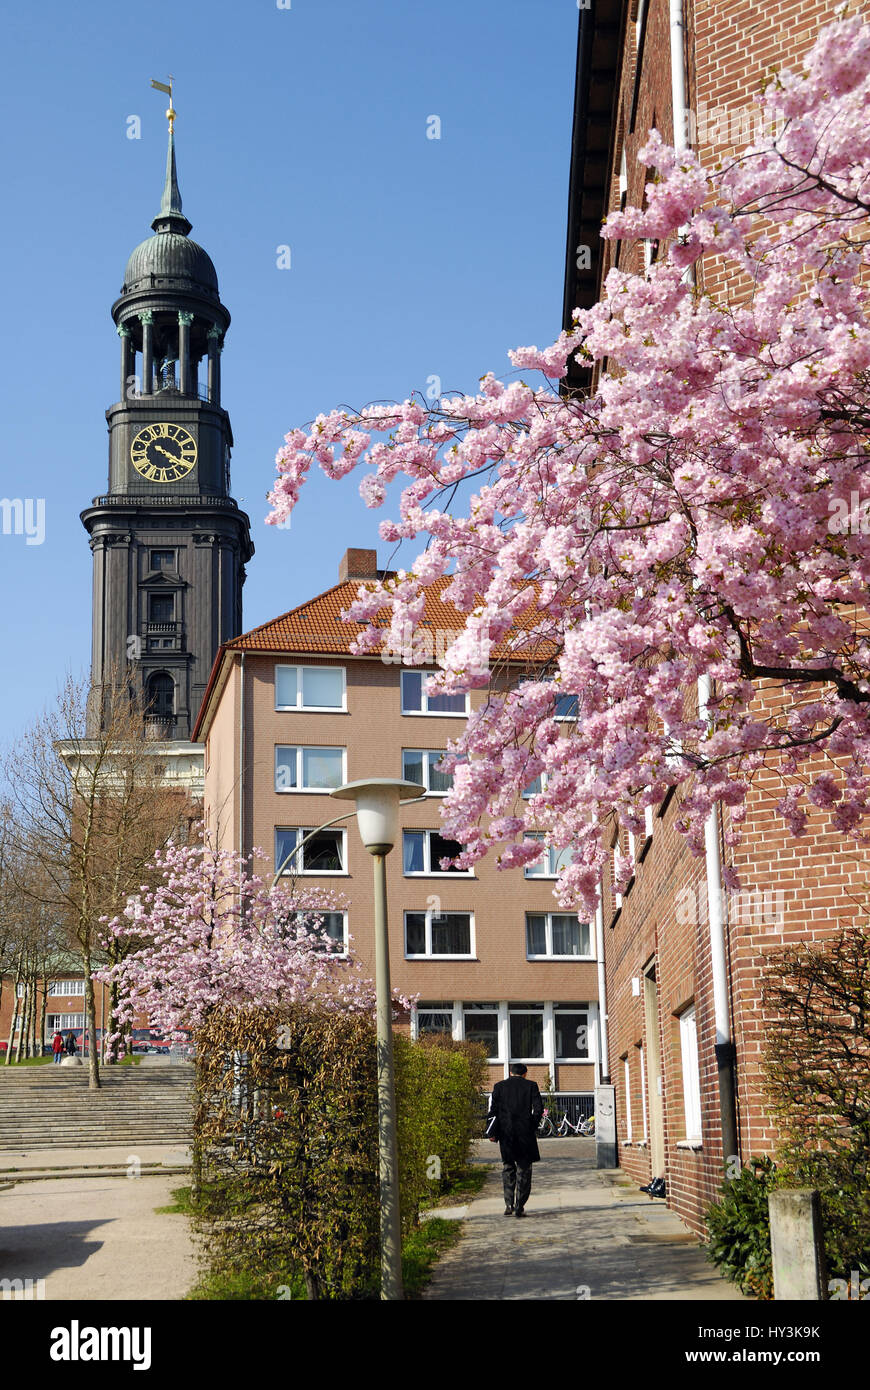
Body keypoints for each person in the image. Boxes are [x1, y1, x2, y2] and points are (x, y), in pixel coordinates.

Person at [487, 1063, 544, 1217]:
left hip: (506, 1134)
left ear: (510, 1073)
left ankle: (508, 1204)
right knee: (524, 1170)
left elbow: (493, 1111)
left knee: (508, 1168)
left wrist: (492, 1132)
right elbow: (538, 1109)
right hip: (525, 1134)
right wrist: (531, 1125)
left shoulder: (499, 1087)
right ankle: (520, 1206)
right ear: (525, 1073)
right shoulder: (531, 1086)